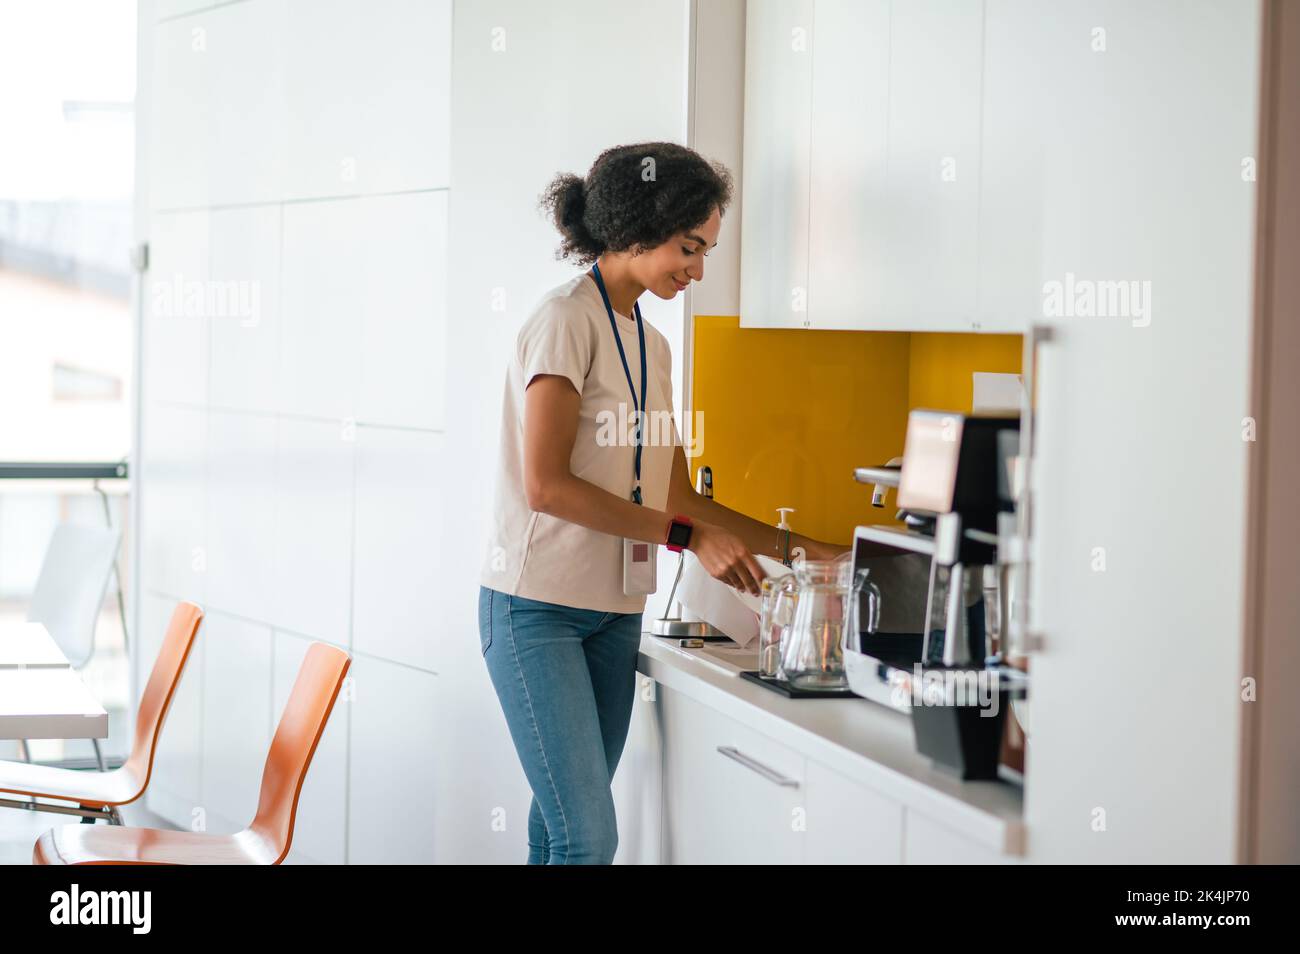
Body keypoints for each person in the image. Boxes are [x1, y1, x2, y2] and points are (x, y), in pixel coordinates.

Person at [478, 142, 842, 864]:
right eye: (689, 246)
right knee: (589, 838)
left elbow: (675, 494)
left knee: (558, 832)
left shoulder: (655, 346)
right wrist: (685, 536)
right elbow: (546, 485)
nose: (698, 268)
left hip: (616, 614)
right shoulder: (564, 322)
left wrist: (804, 552)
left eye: (705, 250)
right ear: (638, 229)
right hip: (534, 610)